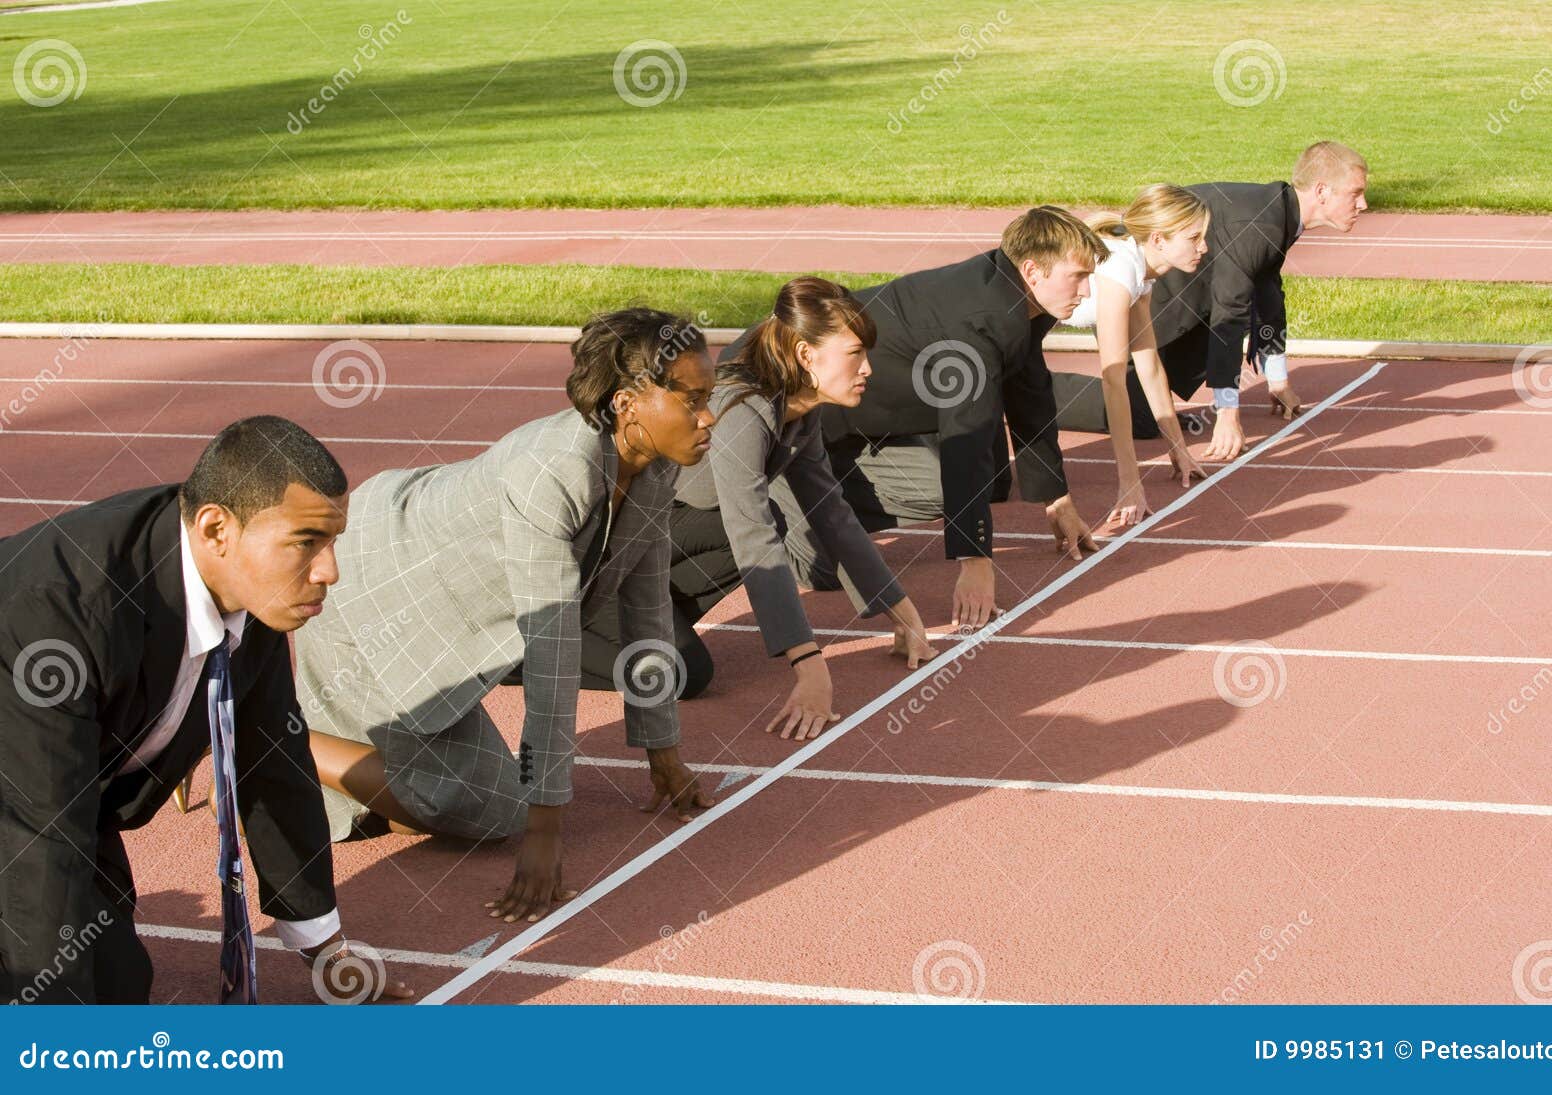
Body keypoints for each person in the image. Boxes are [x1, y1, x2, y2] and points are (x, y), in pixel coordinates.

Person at [295, 307, 718, 927]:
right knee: (496, 807)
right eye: (695, 399)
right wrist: (544, 830)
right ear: (628, 403)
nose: (709, 417)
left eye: (713, 397)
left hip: (451, 618)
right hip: (377, 593)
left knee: (455, 790)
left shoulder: (652, 467)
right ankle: (265, 746)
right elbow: (552, 651)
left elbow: (647, 609)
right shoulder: (551, 472)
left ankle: (334, 747)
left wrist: (664, 751)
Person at [0, 416, 407, 1004]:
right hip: (25, 801)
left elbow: (273, 763)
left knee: (117, 990)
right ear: (217, 527)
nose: (329, 571)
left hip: (63, 803)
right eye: (306, 542)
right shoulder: (61, 615)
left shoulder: (247, 589)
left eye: (332, 541)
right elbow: (38, 834)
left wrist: (326, 950)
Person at [584, 277, 938, 742]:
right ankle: (533, 648)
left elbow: (830, 510)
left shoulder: (799, 410)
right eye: (855, 353)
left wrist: (902, 612)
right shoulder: (743, 411)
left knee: (766, 521)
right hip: (597, 554)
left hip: (659, 537)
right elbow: (752, 533)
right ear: (807, 356)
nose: (867, 368)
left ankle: (641, 617)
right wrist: (810, 667)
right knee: (682, 673)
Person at [818, 206, 1108, 630]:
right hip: (811, 418)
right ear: (1033, 270)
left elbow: (1030, 393)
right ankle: (805, 511)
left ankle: (827, 507)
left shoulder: (1021, 300)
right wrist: (975, 560)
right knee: (820, 571)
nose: (1086, 292)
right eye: (1078, 277)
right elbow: (966, 440)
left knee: (967, 488)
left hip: (870, 420)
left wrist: (1056, 496)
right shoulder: (979, 321)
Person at [1054, 142, 1369, 462]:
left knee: (1157, 395)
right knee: (1142, 414)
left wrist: (1278, 379)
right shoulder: (1261, 225)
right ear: (1322, 191)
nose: (1364, 203)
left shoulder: (1279, 212)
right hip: (1138, 289)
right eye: (1355, 193)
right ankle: (1036, 392)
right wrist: (1227, 414)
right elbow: (1228, 318)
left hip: (1165, 292)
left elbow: (1268, 292)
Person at [1055, 184, 1213, 529]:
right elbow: (1113, 379)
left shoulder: (1141, 270)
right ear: (1158, 240)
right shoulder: (1120, 270)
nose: (1204, 247)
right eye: (1194, 237)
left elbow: (1149, 364)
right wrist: (1129, 481)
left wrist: (1178, 448)